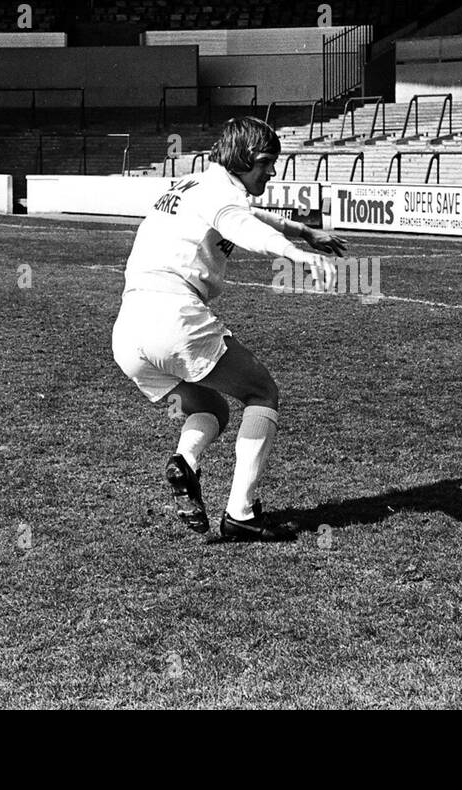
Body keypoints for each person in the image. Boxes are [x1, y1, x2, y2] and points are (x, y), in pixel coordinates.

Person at [112, 117, 348, 541]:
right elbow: (242, 225)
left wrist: (301, 229)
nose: (272, 173)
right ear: (247, 159)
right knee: (262, 393)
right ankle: (241, 512)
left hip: (129, 330)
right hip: (174, 317)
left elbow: (247, 213)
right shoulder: (220, 195)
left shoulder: (192, 184)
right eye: (267, 164)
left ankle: (185, 462)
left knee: (212, 410)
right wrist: (298, 254)